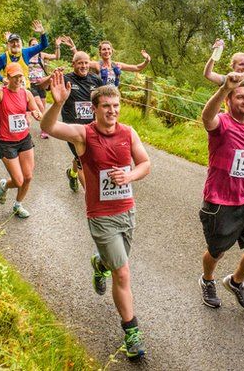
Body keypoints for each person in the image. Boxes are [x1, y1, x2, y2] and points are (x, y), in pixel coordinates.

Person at [41, 71, 152, 361]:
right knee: (122, 272)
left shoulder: (129, 133)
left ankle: (99, 262)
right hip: (101, 216)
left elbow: (145, 164)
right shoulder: (84, 135)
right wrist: (57, 103)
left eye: (116, 106)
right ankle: (131, 332)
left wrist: (129, 176)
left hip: (127, 212)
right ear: (94, 108)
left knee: (116, 263)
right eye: (106, 106)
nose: (112, 111)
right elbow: (48, 127)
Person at [198, 72, 244, 312]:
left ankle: (235, 282)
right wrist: (224, 89)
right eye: (240, 97)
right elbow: (207, 117)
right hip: (219, 200)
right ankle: (207, 280)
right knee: (216, 252)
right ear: (228, 101)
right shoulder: (221, 123)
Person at [0, 60, 42, 218]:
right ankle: (4, 185)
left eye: (20, 76)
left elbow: (36, 111)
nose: (18, 79)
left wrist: (36, 114)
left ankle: (18, 205)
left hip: (24, 139)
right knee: (18, 181)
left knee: (28, 177)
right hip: (7, 142)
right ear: (8, 77)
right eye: (15, 76)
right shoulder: (0, 92)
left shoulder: (26, 93)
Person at [60, 51, 105, 193]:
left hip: (90, 127)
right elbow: (45, 87)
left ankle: (72, 173)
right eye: (80, 63)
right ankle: (90, 196)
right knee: (82, 159)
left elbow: (101, 102)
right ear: (73, 64)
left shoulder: (96, 80)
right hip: (72, 128)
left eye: (86, 63)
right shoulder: (66, 79)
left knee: (82, 155)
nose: (84, 66)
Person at [28, 35, 75, 139]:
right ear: (29, 46)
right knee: (40, 106)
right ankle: (39, 123)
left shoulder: (42, 55)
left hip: (42, 84)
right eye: (32, 45)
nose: (35, 46)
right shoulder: (27, 55)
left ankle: (43, 129)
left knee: (43, 108)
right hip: (30, 84)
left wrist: (57, 46)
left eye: (36, 45)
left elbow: (56, 57)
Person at [0, 20, 49, 86]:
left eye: (17, 42)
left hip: (24, 88)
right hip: (9, 88)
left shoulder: (26, 52)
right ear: (8, 44)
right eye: (12, 42)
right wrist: (2, 79)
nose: (15, 44)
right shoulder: (3, 57)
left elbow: (44, 45)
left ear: (21, 43)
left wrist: (42, 33)